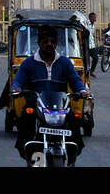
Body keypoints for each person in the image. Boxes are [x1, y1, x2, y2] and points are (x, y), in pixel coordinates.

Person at [11, 26, 90, 165]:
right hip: (36, 105)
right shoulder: (29, 63)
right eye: (45, 41)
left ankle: (72, 154)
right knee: (24, 122)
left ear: (56, 44)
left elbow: (75, 79)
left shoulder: (65, 62)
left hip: (60, 105)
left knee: (75, 120)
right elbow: (18, 79)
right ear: (39, 43)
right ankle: (31, 155)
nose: (49, 44)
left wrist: (82, 90)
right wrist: (16, 88)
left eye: (52, 41)